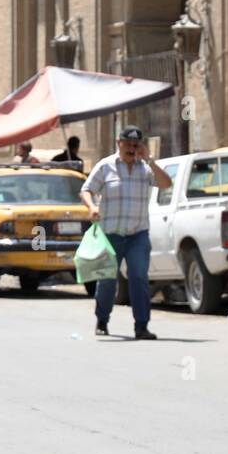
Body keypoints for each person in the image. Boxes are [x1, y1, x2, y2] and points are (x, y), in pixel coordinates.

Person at [80, 126, 172, 340]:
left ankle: (141, 326)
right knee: (108, 280)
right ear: (118, 143)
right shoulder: (105, 167)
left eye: (136, 145)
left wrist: (149, 159)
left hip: (137, 234)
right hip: (111, 233)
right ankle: (102, 318)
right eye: (128, 144)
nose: (132, 149)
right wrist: (92, 207)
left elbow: (166, 184)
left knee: (138, 277)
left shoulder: (145, 169)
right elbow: (86, 189)